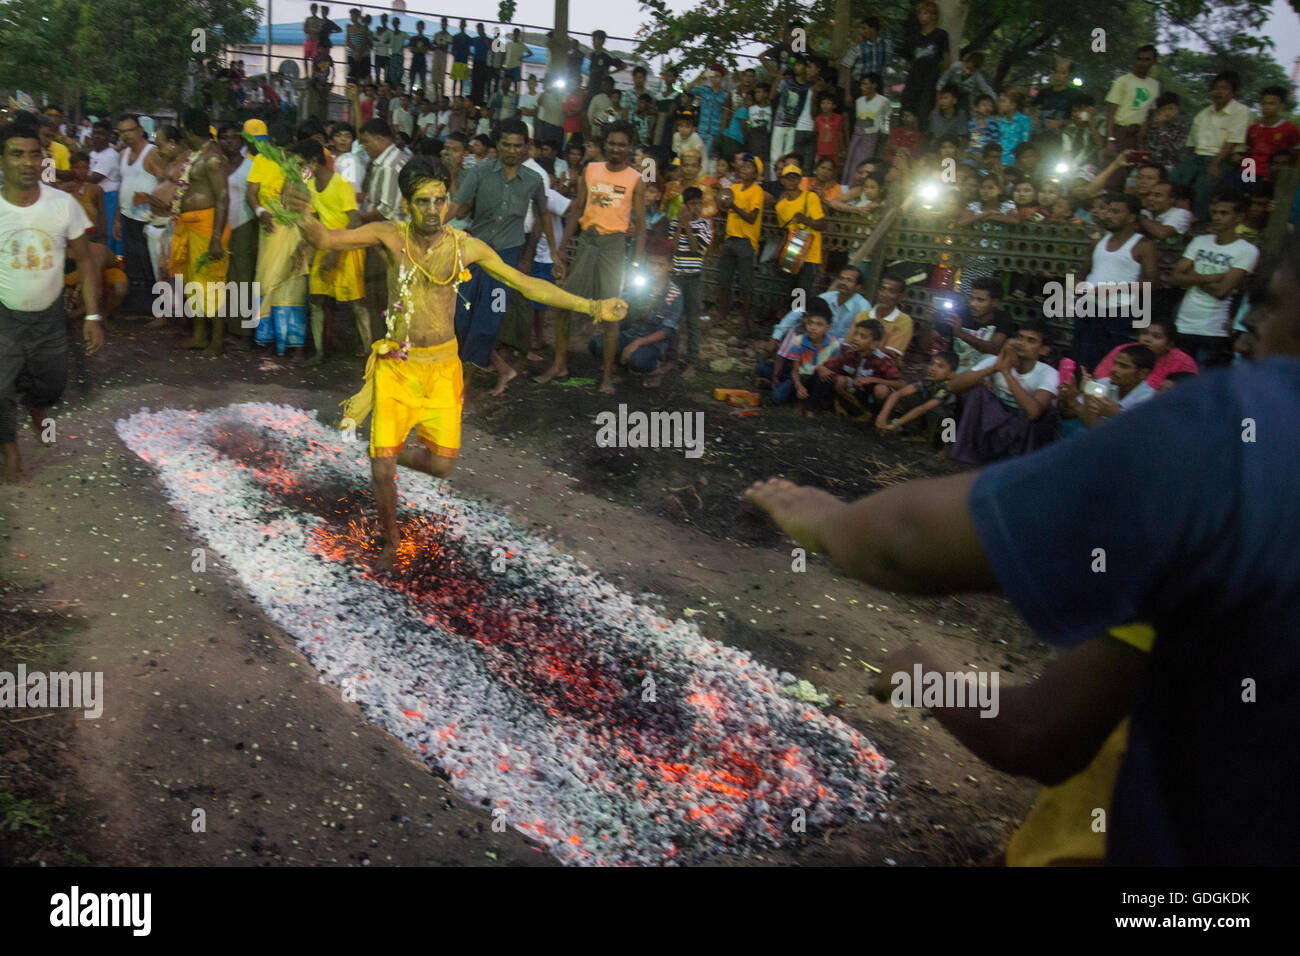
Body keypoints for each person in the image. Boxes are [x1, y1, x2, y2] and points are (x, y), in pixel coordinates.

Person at [287, 158, 625, 569]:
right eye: (422, 201)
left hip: (444, 369)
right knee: (381, 468)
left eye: (440, 200)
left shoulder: (466, 246)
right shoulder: (388, 236)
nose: (433, 209)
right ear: (406, 204)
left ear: (449, 200)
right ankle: (391, 535)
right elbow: (325, 239)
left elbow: (527, 283)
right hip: (397, 365)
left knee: (442, 466)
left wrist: (592, 304)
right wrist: (301, 212)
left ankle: (388, 452)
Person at [1, 116, 104, 482]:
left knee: (52, 382)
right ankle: (9, 447)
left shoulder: (63, 205)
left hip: (49, 315)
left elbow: (88, 262)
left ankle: (37, 408)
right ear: (2, 160)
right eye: (16, 155)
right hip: (5, 315)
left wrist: (93, 317)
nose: (27, 163)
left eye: (34, 155)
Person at [446, 118, 557, 396]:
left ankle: (464, 385)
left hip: (506, 261)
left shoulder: (534, 180)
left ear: (526, 147)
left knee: (490, 321)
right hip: (472, 256)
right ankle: (472, 371)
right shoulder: (479, 173)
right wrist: (428, 232)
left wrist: (542, 253)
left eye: (517, 145)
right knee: (458, 316)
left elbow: (544, 214)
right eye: (506, 144)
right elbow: (456, 206)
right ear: (498, 144)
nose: (511, 150)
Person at [536, 121, 645, 394]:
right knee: (566, 305)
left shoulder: (635, 179)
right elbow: (576, 211)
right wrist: (561, 249)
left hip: (613, 246)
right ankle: (559, 364)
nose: (616, 149)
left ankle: (606, 376)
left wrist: (636, 262)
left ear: (629, 148)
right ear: (604, 144)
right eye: (611, 143)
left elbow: (641, 225)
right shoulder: (591, 170)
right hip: (587, 241)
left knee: (611, 313)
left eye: (622, 145)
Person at [287, 138, 367, 365]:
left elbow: (354, 220)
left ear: (313, 161)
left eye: (301, 164)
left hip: (347, 247)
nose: (299, 169)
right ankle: (320, 352)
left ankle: (370, 354)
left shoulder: (341, 184)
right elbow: (314, 221)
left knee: (357, 303)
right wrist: (302, 247)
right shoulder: (310, 186)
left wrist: (335, 249)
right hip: (325, 245)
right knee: (317, 300)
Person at [949, 318, 1059, 463]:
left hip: (1023, 432)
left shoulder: (1048, 373)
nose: (1021, 343)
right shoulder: (997, 361)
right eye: (1020, 337)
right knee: (977, 392)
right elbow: (952, 386)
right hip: (995, 425)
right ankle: (970, 453)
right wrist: (993, 369)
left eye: (1031, 341)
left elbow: (1033, 412)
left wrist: (1006, 372)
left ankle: (1024, 465)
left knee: (1045, 413)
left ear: (1044, 350)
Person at [1073, 193, 1158, 371]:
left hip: (1118, 312)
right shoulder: (1098, 241)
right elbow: (1083, 270)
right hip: (1088, 306)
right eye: (1108, 211)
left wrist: (1114, 289)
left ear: (1131, 217)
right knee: (1080, 356)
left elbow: (1152, 283)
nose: (1109, 216)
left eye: (1116, 212)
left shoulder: (1142, 245)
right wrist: (1077, 285)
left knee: (1108, 361)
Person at [1173, 191, 1258, 368]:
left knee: (1204, 384)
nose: (1217, 217)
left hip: (1213, 328)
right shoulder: (1200, 241)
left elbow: (1222, 291)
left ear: (1239, 217)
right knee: (1178, 379)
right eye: (1215, 213)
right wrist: (1211, 277)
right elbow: (1175, 278)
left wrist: (1192, 278)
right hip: (1184, 322)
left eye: (1224, 213)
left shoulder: (1246, 250)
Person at [168, 108, 230, 354]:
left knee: (212, 284)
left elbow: (223, 197)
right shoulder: (198, 155)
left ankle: (216, 340)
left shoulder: (213, 158)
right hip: (191, 226)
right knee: (195, 283)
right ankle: (199, 335)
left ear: (191, 131)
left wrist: (216, 237)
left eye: (185, 132)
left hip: (208, 227)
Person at [590, 242, 680, 387]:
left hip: (653, 343)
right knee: (596, 345)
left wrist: (637, 343)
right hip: (630, 334)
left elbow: (667, 331)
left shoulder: (674, 293)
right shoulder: (641, 285)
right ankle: (621, 366)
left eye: (660, 265)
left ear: (670, 266)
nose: (654, 269)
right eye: (651, 264)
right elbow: (621, 301)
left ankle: (655, 370)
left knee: (638, 360)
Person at [1186, 72, 1249, 220]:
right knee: (1174, 180)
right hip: (1197, 157)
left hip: (1223, 159)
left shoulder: (1240, 111)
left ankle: (1199, 224)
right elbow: (1191, 144)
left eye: (1224, 88)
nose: (1218, 92)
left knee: (1204, 186)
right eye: (1215, 88)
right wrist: (1186, 165)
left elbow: (1232, 141)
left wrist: (1215, 163)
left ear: (1233, 92)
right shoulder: (1203, 113)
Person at [808, 317, 903, 415]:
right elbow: (828, 365)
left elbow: (901, 383)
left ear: (874, 344)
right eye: (855, 334)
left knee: (881, 390)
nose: (855, 339)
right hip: (856, 394)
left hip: (872, 396)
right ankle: (858, 410)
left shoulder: (882, 360)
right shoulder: (850, 354)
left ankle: (880, 414)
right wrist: (821, 367)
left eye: (862, 336)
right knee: (838, 379)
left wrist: (872, 379)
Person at [715, 153, 764, 337]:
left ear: (755, 173)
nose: (744, 169)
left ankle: (745, 321)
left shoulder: (756, 191)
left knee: (746, 284)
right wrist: (723, 202)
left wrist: (732, 205)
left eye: (749, 168)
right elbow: (722, 208)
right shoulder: (733, 187)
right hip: (730, 238)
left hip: (746, 241)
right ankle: (721, 315)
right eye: (742, 167)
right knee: (723, 279)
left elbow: (752, 218)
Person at [666, 186, 712, 377]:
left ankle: (691, 362)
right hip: (675, 277)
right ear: (684, 205)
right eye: (692, 204)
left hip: (693, 277)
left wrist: (686, 225)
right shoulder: (673, 223)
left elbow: (695, 249)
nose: (696, 207)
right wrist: (680, 224)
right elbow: (672, 248)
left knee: (693, 320)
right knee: (672, 318)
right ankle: (671, 359)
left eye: (699, 203)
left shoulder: (704, 225)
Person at [763, 298, 839, 412]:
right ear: (805, 317)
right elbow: (783, 358)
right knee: (765, 369)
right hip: (795, 371)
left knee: (779, 395)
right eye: (811, 322)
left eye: (818, 324)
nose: (813, 327)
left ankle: (789, 387)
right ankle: (782, 381)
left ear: (826, 326)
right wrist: (776, 377)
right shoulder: (797, 335)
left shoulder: (830, 341)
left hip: (811, 375)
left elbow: (833, 366)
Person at [218, 125, 256, 343]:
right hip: (220, 227)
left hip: (244, 224)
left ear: (241, 142)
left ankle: (244, 331)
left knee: (243, 278)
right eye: (223, 138)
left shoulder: (250, 167)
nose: (228, 142)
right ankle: (227, 326)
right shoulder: (217, 165)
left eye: (232, 139)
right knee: (224, 277)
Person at [1103, 45, 1160, 189]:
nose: (1142, 63)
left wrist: (1143, 134)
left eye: (1147, 59)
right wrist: (1110, 140)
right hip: (1120, 132)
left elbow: (1149, 112)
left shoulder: (1154, 85)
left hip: (1138, 136)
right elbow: (1110, 113)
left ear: (1153, 62)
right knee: (1113, 176)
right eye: (1139, 59)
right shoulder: (1122, 81)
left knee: (1134, 177)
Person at [874, 351, 958, 438]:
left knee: (934, 410)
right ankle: (913, 430)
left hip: (947, 426)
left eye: (940, 366)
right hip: (929, 416)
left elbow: (923, 409)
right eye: (932, 364)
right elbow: (898, 393)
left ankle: (937, 443)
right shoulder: (928, 382)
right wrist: (882, 416)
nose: (933, 368)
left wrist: (894, 424)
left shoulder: (947, 388)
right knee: (909, 397)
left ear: (951, 374)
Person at [774, 162, 827, 299]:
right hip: (792, 252)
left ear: (799, 180)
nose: (791, 181)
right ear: (782, 180)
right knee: (791, 289)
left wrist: (806, 220)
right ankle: (793, 317)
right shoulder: (780, 206)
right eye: (788, 177)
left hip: (810, 255)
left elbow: (822, 224)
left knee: (802, 292)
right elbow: (785, 231)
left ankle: (800, 318)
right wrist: (778, 252)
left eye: (795, 177)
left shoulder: (810, 197)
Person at [900, 1, 950, 126]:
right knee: (906, 116)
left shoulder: (941, 35)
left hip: (930, 85)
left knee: (923, 119)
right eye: (920, 13)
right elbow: (907, 61)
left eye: (926, 13)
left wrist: (939, 79)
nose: (922, 16)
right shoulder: (913, 37)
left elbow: (946, 61)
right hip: (912, 84)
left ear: (934, 16)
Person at [1243, 85, 1300, 182]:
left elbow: (1297, 156)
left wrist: (1291, 179)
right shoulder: (1252, 129)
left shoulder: (1290, 129)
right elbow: (1248, 152)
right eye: (1264, 103)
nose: (1266, 107)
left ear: (1281, 106)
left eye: (1272, 103)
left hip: (1274, 179)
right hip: (1248, 175)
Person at [855, 272, 913, 362]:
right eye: (882, 289)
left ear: (900, 297)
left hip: (882, 372)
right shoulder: (862, 315)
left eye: (891, 291)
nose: (884, 294)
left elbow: (889, 357)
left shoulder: (904, 321)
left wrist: (861, 347)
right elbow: (850, 344)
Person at [61, 151, 106, 244]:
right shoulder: (65, 189)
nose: (82, 171)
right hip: (71, 236)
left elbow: (101, 214)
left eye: (85, 168)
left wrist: (104, 236)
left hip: (91, 234)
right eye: (77, 167)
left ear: (89, 169)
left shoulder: (96, 190)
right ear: (71, 168)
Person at [470, 23, 491, 106]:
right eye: (478, 29)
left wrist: (484, 38)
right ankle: (473, 102)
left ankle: (479, 103)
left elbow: (490, 48)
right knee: (474, 82)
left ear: (483, 29)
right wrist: (470, 53)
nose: (480, 31)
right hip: (476, 62)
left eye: (481, 29)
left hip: (484, 63)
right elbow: (467, 43)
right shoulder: (475, 39)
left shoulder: (487, 39)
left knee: (481, 84)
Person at [450, 20, 471, 99]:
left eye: (463, 24)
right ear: (460, 25)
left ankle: (459, 97)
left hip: (463, 61)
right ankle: (453, 97)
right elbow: (452, 50)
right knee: (455, 81)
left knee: (461, 81)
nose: (462, 26)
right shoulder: (455, 37)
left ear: (464, 26)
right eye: (461, 24)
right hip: (457, 60)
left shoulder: (467, 38)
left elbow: (468, 51)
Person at [432, 18, 453, 97]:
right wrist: (439, 46)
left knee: (442, 80)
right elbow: (433, 45)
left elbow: (445, 47)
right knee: (435, 79)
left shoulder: (449, 36)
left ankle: (442, 97)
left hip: (443, 59)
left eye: (445, 23)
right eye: (442, 23)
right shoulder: (436, 34)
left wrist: (438, 46)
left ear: (447, 24)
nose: (443, 25)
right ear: (441, 24)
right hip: (436, 58)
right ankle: (436, 97)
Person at [407, 20, 430, 91]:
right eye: (419, 27)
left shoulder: (426, 39)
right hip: (414, 62)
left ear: (423, 28)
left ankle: (422, 97)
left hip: (422, 62)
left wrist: (416, 49)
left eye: (421, 27)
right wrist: (420, 49)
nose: (420, 28)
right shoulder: (413, 39)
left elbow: (425, 50)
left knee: (423, 82)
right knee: (411, 81)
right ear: (417, 28)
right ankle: (410, 95)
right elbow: (411, 49)